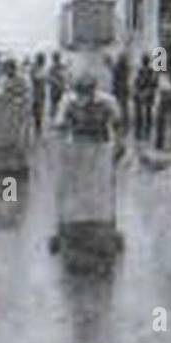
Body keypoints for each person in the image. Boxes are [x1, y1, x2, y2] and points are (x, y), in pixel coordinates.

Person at [52, 61, 124, 261]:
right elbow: (59, 125)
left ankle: (108, 221)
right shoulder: (68, 101)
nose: (85, 97)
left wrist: (118, 145)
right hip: (77, 148)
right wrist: (62, 146)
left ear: (94, 89)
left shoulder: (107, 101)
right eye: (82, 91)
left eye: (88, 91)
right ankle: (67, 222)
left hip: (100, 147)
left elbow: (118, 123)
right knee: (72, 187)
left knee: (104, 188)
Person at [154, 65, 171, 151]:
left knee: (161, 120)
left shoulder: (161, 76)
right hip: (170, 95)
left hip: (165, 96)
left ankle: (160, 141)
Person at [133, 56, 156, 141]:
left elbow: (137, 83)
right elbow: (153, 85)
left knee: (140, 115)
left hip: (141, 95)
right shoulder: (150, 72)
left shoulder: (140, 72)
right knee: (147, 114)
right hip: (148, 95)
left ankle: (139, 133)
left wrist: (138, 92)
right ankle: (146, 133)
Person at [110, 50, 131, 133]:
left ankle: (121, 124)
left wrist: (110, 62)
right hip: (123, 90)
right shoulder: (126, 68)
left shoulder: (119, 68)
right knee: (124, 108)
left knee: (120, 108)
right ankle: (125, 124)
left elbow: (115, 74)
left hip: (119, 90)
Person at [30, 52, 47, 136]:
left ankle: (38, 127)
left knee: (39, 110)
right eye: (42, 60)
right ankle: (37, 127)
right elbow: (35, 78)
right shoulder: (35, 68)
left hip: (40, 92)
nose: (44, 62)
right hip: (37, 93)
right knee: (37, 110)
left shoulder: (40, 68)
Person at [47, 52, 67, 119]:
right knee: (57, 104)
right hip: (58, 89)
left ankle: (54, 118)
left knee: (55, 104)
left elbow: (49, 80)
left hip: (56, 89)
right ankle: (55, 118)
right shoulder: (60, 67)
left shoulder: (53, 68)